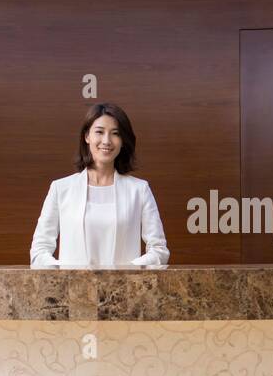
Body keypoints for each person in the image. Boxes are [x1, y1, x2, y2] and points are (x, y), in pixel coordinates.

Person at [30, 102, 170, 266]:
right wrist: (64, 273)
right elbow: (39, 250)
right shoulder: (61, 189)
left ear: (123, 140)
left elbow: (159, 250)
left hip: (124, 289)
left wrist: (127, 271)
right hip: (71, 289)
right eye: (99, 132)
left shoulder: (139, 190)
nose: (106, 140)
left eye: (115, 133)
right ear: (87, 136)